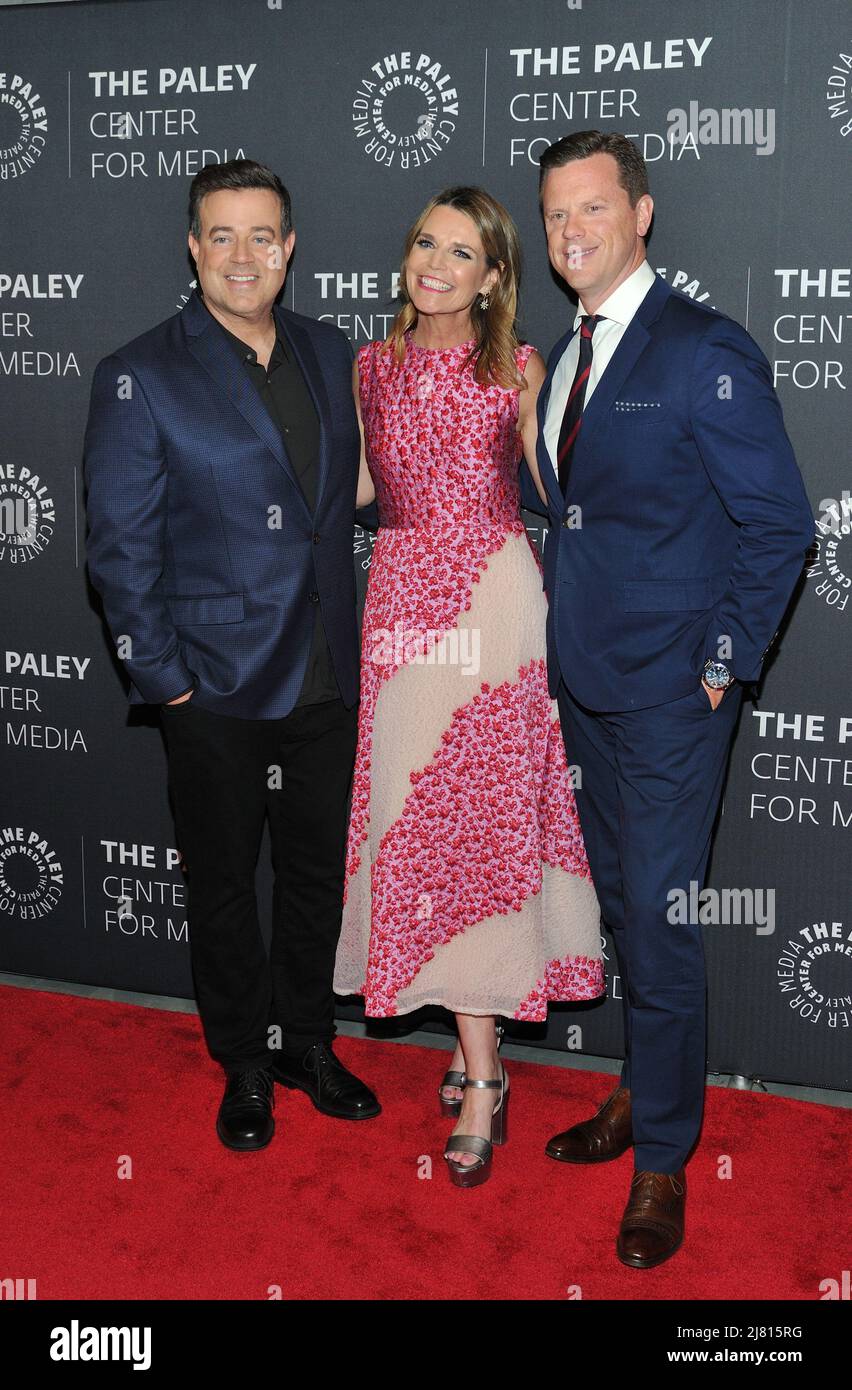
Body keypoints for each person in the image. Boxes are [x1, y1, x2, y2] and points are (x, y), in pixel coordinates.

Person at [521, 130, 813, 1265]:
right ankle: (641, 1093)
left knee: (666, 917)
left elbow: (779, 521)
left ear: (641, 214)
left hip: (672, 699)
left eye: (592, 207)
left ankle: (663, 1163)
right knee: (629, 913)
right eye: (554, 214)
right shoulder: (568, 352)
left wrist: (722, 663)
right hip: (585, 686)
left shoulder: (702, 348)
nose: (572, 230)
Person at [83, 158, 380, 1152]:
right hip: (209, 682)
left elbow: (353, 499)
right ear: (193, 246)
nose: (243, 255)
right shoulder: (142, 372)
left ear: (290, 248)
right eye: (223, 235)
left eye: (263, 235)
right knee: (221, 882)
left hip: (328, 670)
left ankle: (308, 1042)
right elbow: (119, 546)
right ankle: (243, 1063)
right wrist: (162, 677)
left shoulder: (332, 350)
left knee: (312, 877)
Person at [332, 186, 605, 1188]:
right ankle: (469, 1035)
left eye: (461, 253)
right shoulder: (368, 368)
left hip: (494, 607)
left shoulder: (521, 368)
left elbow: (563, 491)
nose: (436, 265)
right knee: (417, 819)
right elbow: (357, 492)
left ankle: (483, 1074)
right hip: (401, 608)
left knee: (480, 825)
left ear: (494, 276)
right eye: (424, 245)